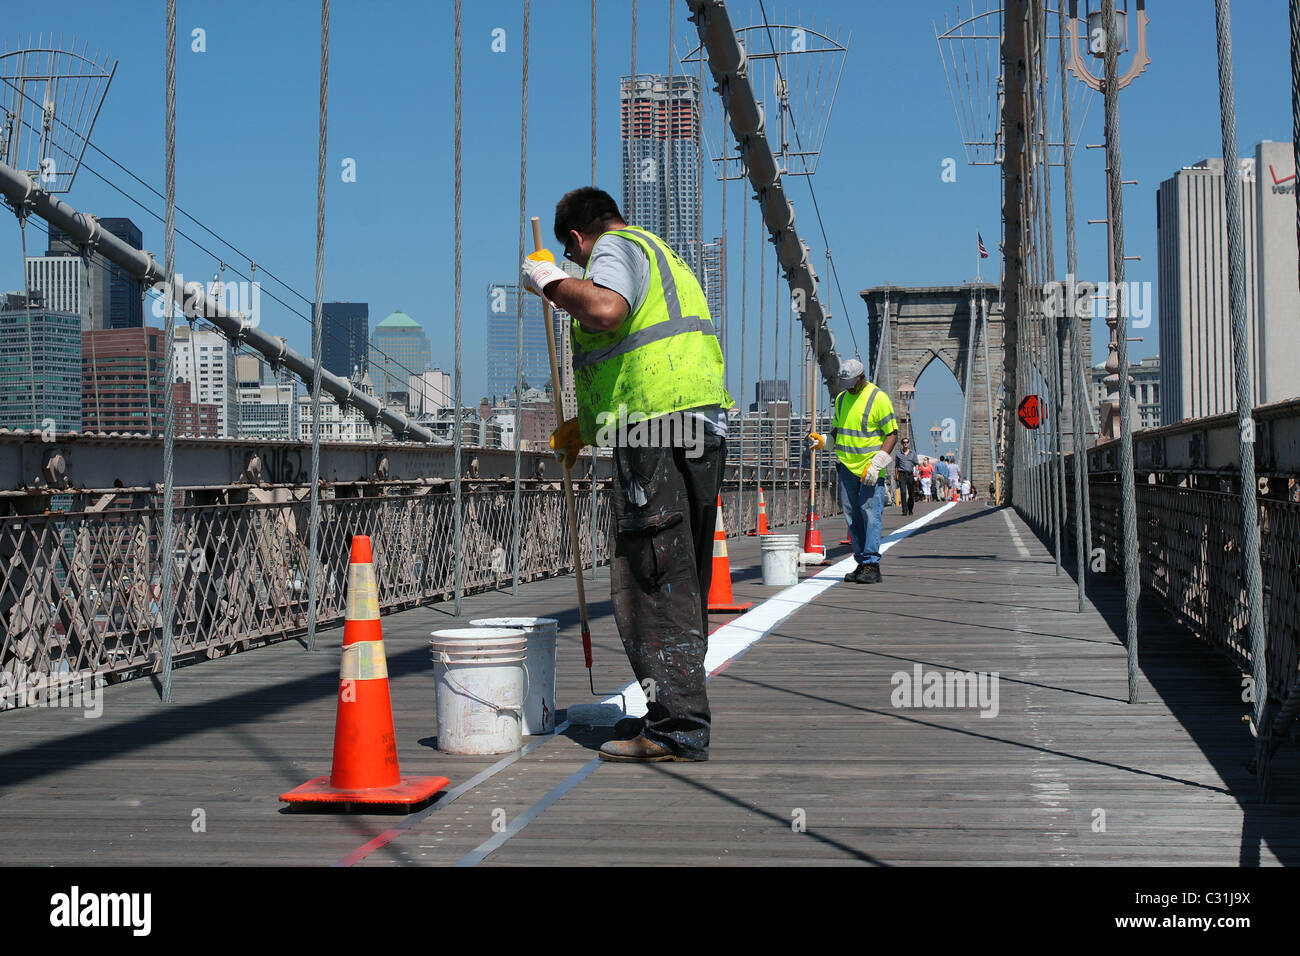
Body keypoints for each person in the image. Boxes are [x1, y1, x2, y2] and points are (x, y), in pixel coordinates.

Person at [521, 186, 732, 764]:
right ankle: (673, 706)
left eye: (574, 260)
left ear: (575, 239)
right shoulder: (662, 255)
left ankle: (676, 728)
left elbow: (608, 311)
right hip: (698, 430)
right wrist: (584, 431)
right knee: (679, 578)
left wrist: (550, 283)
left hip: (654, 437)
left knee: (651, 582)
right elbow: (643, 360)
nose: (580, 272)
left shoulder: (612, 249)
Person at [808, 358, 898, 583]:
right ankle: (861, 562)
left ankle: (872, 565)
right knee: (852, 517)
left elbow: (892, 434)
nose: (846, 387)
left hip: (870, 469)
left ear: (861, 377)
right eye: (843, 383)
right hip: (847, 467)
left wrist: (877, 464)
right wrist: (823, 441)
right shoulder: (841, 400)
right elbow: (838, 435)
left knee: (871, 515)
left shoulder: (878, 398)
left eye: (850, 382)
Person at [894, 435, 919, 516]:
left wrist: (917, 472)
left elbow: (916, 464)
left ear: (909, 444)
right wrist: (896, 475)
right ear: (902, 443)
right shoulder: (898, 454)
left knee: (911, 493)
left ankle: (910, 508)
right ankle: (904, 510)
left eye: (907, 442)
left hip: (910, 474)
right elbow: (896, 466)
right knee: (903, 492)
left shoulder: (913, 453)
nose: (905, 444)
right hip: (901, 474)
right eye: (904, 442)